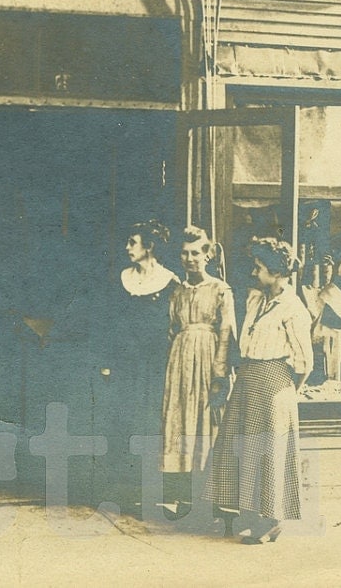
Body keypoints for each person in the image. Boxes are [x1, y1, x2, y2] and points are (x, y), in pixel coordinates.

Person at [206, 237, 312, 544]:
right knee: (243, 448)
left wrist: (286, 392)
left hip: (273, 383)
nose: (254, 272)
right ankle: (249, 515)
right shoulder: (255, 299)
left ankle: (271, 521)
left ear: (276, 272)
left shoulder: (293, 308)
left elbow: (305, 362)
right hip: (247, 379)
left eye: (259, 267)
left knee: (268, 452)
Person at [160, 226, 236, 520]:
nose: (190, 259)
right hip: (180, 362)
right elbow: (171, 329)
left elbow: (227, 332)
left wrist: (219, 373)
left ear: (208, 255)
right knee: (180, 420)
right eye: (185, 253)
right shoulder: (177, 292)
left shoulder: (220, 290)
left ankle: (214, 497)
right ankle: (180, 495)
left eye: (195, 253)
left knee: (208, 422)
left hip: (209, 360)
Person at [113, 221, 178, 506]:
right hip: (127, 364)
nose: (127, 247)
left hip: (155, 365)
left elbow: (174, 325)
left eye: (133, 242)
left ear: (149, 246)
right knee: (125, 419)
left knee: (152, 420)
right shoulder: (123, 278)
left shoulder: (170, 282)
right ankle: (127, 490)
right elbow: (112, 322)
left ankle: (152, 490)